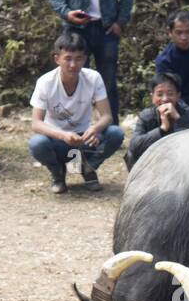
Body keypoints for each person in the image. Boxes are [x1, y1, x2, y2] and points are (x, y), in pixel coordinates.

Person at [29, 31, 124, 195]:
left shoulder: (93, 78)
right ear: (57, 59)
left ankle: (88, 168)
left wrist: (95, 129)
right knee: (37, 144)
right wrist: (63, 135)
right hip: (58, 139)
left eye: (78, 58)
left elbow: (107, 116)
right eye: (68, 59)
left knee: (115, 133)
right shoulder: (45, 82)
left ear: (85, 59)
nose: (73, 65)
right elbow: (36, 123)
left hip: (85, 138)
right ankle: (57, 174)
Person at [124, 72, 189, 171]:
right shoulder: (146, 116)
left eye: (170, 94)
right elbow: (134, 146)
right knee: (131, 155)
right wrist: (162, 130)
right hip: (153, 162)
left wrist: (177, 119)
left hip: (181, 164)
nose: (165, 99)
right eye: (159, 94)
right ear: (152, 97)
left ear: (178, 96)